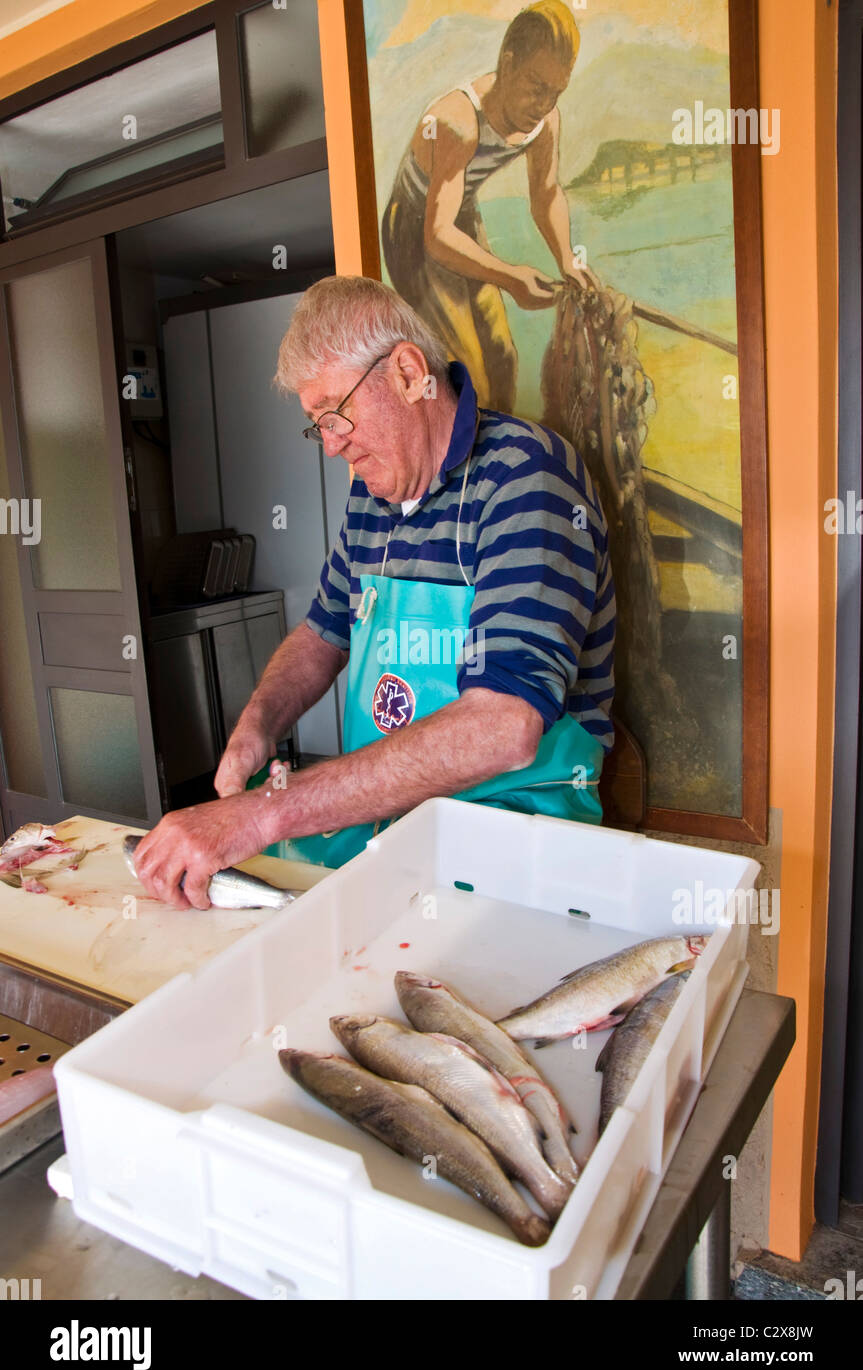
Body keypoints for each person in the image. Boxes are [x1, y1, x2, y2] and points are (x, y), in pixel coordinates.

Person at [132, 276, 615, 909]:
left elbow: (504, 727)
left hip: (511, 827)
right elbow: (322, 632)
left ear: (410, 372)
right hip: (390, 822)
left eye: (336, 413)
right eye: (317, 425)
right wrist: (258, 724)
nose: (331, 446)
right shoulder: (375, 495)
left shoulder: (527, 478)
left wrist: (264, 813)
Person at [382, 0, 595, 413]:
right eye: (537, 86)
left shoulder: (545, 122)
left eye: (556, 92)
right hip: (412, 229)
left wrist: (567, 258)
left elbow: (547, 193)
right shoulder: (457, 121)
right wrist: (512, 278)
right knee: (470, 376)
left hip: (458, 218)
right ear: (508, 62)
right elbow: (437, 236)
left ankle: (504, 460)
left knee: (502, 359)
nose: (544, 104)